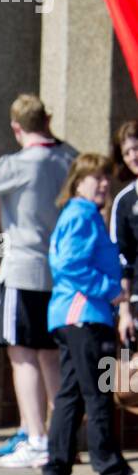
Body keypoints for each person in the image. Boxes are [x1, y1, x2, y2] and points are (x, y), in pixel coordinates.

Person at [0, 94, 76, 469]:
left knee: (22, 355)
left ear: (16, 128)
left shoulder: (15, 163)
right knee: (51, 355)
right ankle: (59, 438)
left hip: (23, 272)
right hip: (61, 273)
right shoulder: (69, 157)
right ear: (47, 119)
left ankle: (36, 437)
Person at [40, 153, 136, 475]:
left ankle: (57, 468)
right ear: (78, 182)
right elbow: (70, 265)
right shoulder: (81, 213)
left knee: (71, 394)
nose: (105, 183)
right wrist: (111, 290)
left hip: (73, 316)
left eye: (107, 177)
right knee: (98, 391)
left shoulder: (83, 214)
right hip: (83, 315)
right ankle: (110, 470)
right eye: (96, 177)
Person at [110, 120, 138, 331]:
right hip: (136, 297)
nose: (132, 157)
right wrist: (125, 311)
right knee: (130, 361)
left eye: (136, 148)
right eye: (126, 153)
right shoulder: (125, 201)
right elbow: (122, 257)